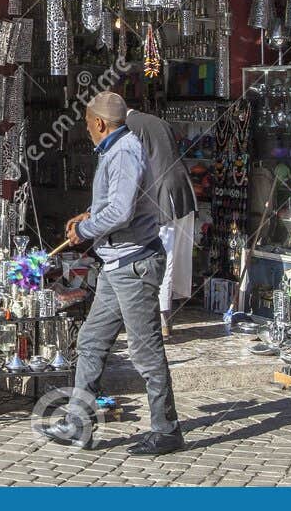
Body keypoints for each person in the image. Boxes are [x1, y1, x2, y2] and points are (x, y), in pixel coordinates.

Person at [40, 91, 183, 455]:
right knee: (91, 341)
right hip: (117, 262)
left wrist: (85, 232)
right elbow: (118, 201)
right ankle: (79, 421)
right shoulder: (117, 150)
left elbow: (120, 212)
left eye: (88, 124)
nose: (87, 130)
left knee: (145, 351)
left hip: (133, 263)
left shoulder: (124, 151)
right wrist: (90, 215)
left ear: (99, 124)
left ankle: (166, 429)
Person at [125, 107, 198, 335]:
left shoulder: (128, 128)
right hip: (182, 189)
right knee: (174, 255)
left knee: (161, 255)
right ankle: (165, 314)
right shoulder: (157, 121)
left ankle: (162, 319)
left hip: (162, 196)